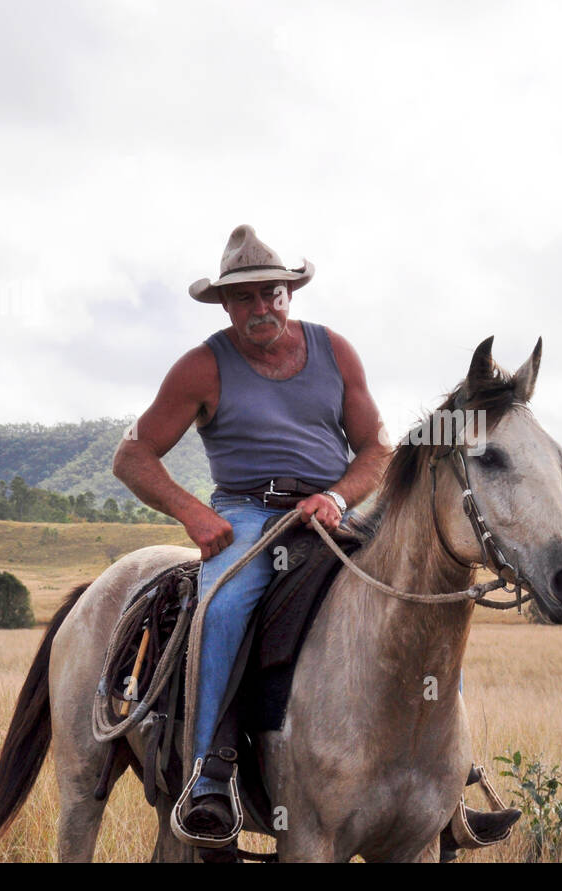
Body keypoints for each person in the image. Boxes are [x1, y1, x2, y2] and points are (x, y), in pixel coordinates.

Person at [113, 225, 518, 853]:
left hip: (335, 513)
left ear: (289, 294)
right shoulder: (201, 367)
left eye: (272, 294)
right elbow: (132, 457)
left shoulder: (336, 353)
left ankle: (451, 783)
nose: (262, 309)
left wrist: (334, 497)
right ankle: (208, 775)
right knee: (221, 609)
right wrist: (194, 514)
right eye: (246, 299)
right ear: (226, 305)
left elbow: (377, 448)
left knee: (423, 604)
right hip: (249, 516)